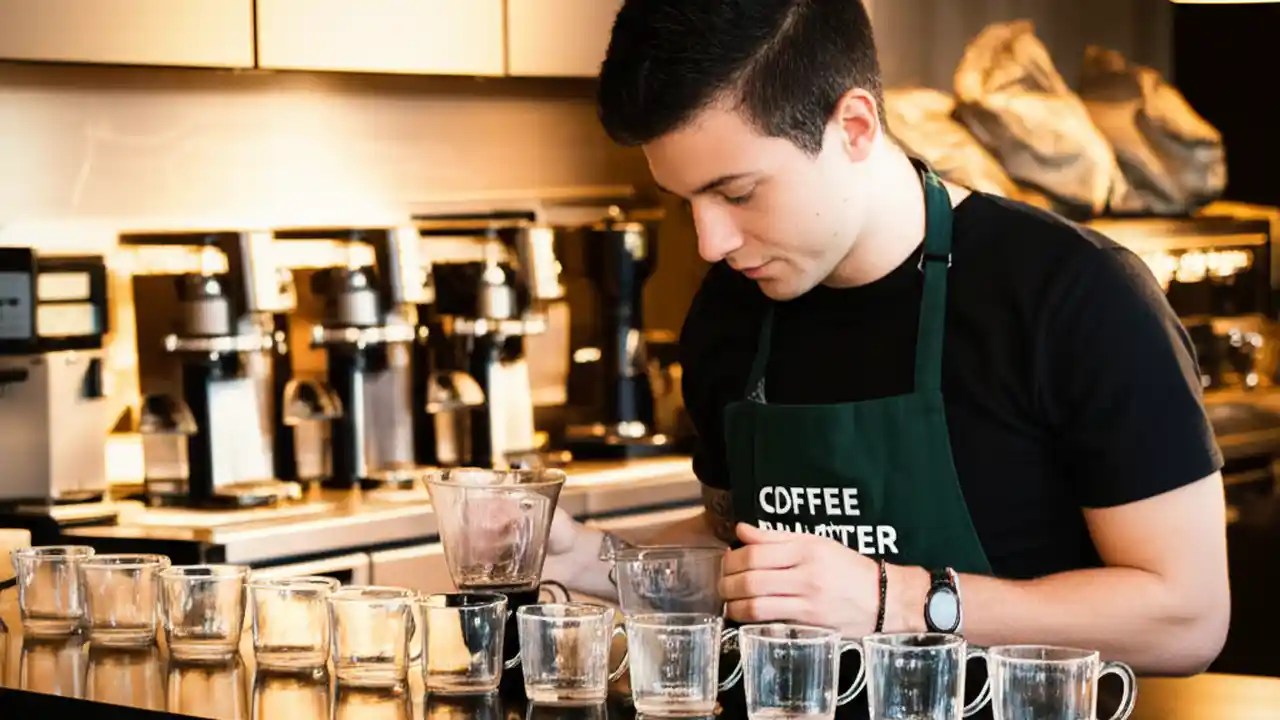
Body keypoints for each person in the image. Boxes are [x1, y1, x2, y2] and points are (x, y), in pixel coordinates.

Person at [542, 0, 1231, 682]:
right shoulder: (731, 313)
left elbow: (1188, 618)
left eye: (740, 192)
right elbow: (741, 551)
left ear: (855, 125)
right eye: (684, 200)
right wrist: (589, 560)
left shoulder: (1076, 296)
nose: (711, 242)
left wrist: (894, 600)